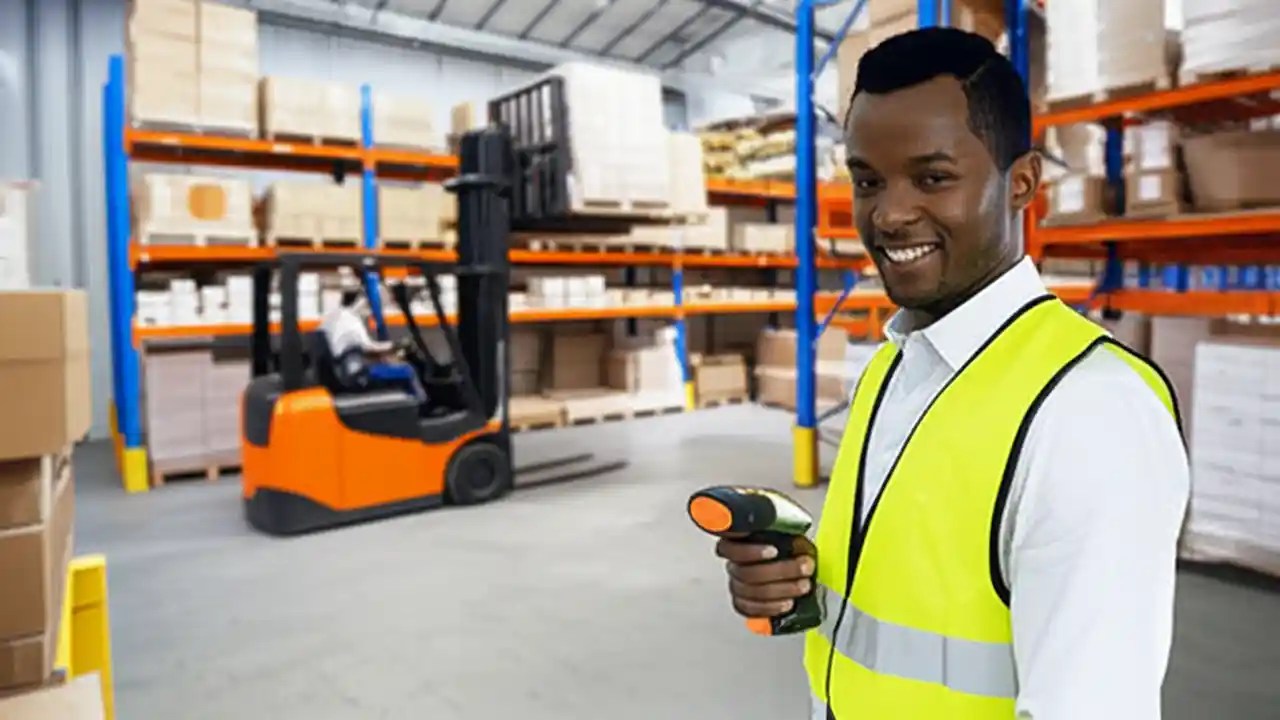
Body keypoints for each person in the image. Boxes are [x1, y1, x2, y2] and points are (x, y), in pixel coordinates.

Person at [713, 28, 1189, 720]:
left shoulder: (1090, 412)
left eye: (933, 177)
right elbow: (924, 592)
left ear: (1022, 183)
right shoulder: (890, 367)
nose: (890, 214)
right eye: (868, 181)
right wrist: (799, 584)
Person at [320, 284, 427, 405]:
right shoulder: (350, 320)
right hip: (356, 375)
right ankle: (422, 406)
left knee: (392, 368)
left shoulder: (334, 316)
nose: (368, 307)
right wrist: (396, 345)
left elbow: (355, 347)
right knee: (408, 370)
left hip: (342, 370)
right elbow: (369, 347)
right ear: (360, 300)